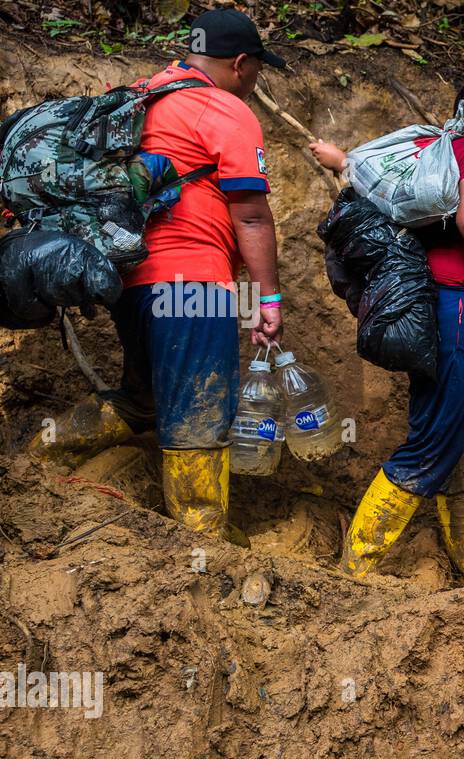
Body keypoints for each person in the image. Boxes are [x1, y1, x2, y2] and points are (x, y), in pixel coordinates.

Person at [27, 8, 285, 538]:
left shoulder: (140, 96)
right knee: (200, 412)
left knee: (144, 398)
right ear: (240, 63)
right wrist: (268, 300)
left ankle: (39, 455)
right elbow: (252, 214)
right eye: (257, 70)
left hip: (127, 280)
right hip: (196, 286)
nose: (254, 81)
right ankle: (202, 538)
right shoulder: (226, 110)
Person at [310, 72, 464, 582]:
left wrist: (341, 159)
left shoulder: (437, 151)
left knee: (461, 440)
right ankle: (354, 568)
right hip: (456, 310)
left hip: (435, 308)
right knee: (435, 440)